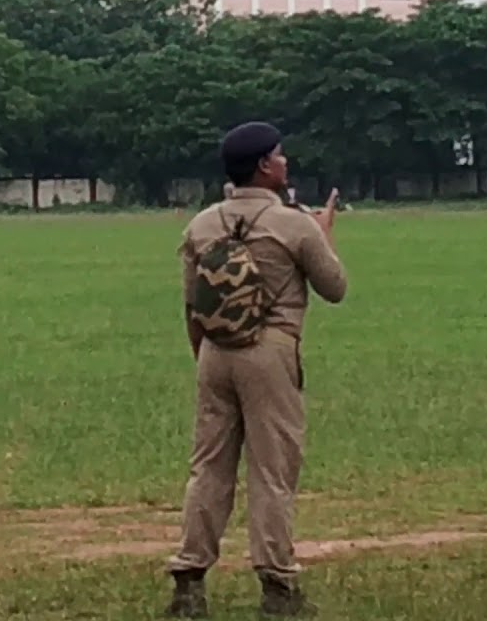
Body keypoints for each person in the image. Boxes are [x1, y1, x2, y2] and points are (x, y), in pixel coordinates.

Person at [165, 121, 347, 618]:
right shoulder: (293, 223)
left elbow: (190, 306)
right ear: (265, 166)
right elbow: (335, 288)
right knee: (272, 470)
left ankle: (189, 578)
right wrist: (323, 236)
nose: (285, 162)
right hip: (271, 349)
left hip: (214, 352)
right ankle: (277, 583)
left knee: (208, 468)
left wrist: (206, 355)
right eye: (280, 156)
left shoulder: (202, 224)